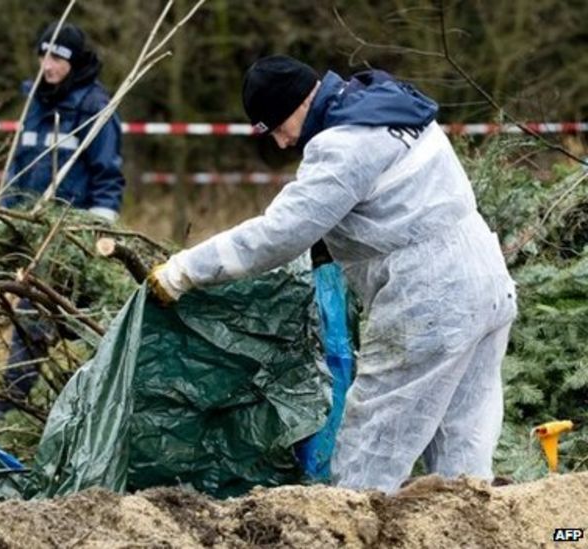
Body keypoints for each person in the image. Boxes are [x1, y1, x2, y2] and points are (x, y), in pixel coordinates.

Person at [148, 54, 517, 493]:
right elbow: (390, 205)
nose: (283, 144)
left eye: (275, 129)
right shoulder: (389, 106)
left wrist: (185, 270)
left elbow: (279, 234)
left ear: (296, 104)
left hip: (429, 298)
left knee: (370, 452)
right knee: (465, 449)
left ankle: (347, 535)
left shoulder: (344, 144)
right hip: (486, 279)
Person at [0, 22, 126, 416]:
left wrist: (95, 232)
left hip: (71, 235)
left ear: (73, 62)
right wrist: (7, 220)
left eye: (57, 58)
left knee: (53, 321)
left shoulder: (93, 107)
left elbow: (108, 175)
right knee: (39, 318)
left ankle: (13, 408)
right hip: (35, 230)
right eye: (43, 55)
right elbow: (19, 168)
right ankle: (23, 405)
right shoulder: (34, 103)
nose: (46, 65)